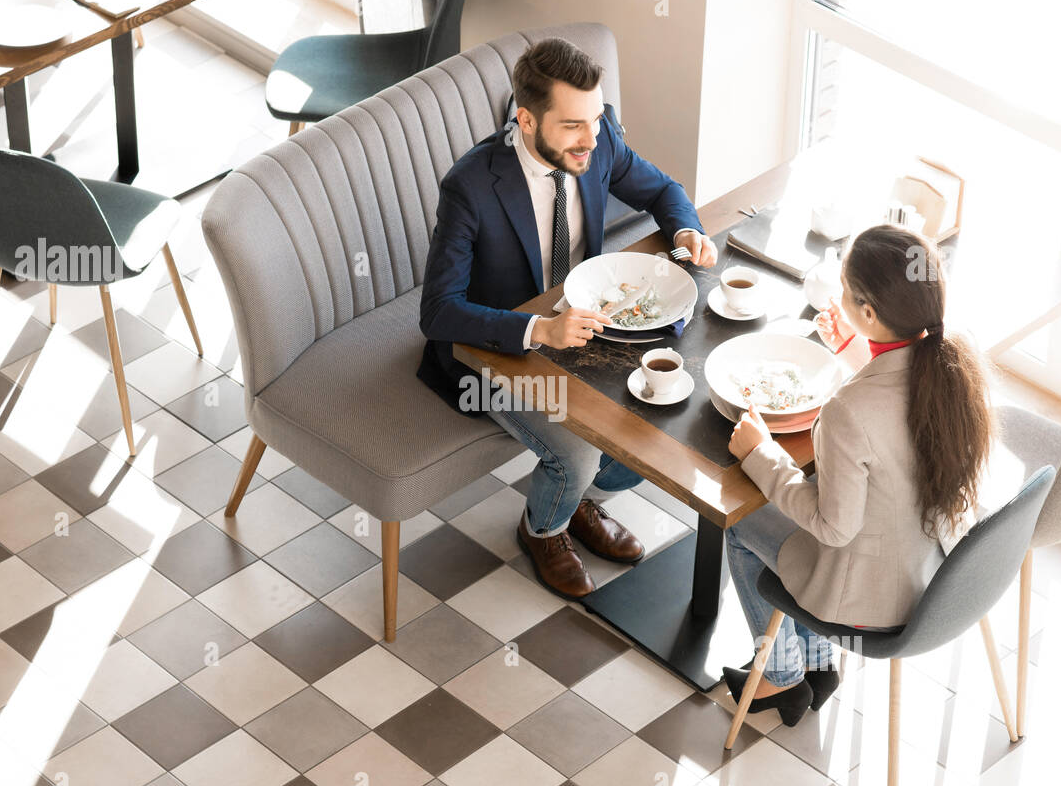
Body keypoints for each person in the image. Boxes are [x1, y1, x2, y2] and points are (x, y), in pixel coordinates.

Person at [416, 37, 716, 599]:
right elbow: (437, 312)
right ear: (526, 121)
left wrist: (685, 231)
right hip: (495, 353)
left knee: (674, 405)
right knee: (578, 450)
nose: (592, 138)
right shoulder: (472, 186)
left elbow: (665, 191)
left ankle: (578, 503)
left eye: (597, 120)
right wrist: (539, 330)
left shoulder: (597, 146)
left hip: (586, 330)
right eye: (574, 125)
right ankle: (543, 528)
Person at [721, 225, 993, 726]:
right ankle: (820, 663)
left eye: (843, 291)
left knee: (739, 523)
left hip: (871, 602)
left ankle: (782, 677)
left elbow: (833, 528)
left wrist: (762, 454)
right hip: (931, 576)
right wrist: (857, 355)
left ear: (869, 314)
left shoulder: (850, 411)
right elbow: (898, 425)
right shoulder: (956, 364)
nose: (836, 298)